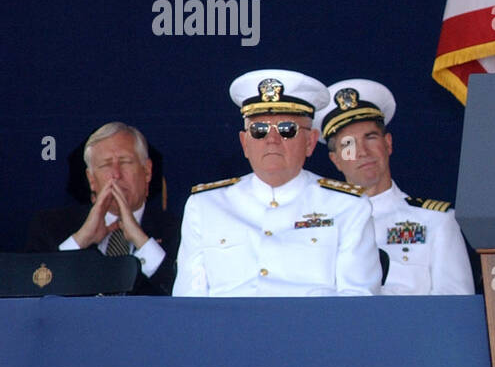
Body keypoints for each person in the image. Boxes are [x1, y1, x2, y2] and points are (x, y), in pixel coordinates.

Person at [173, 69, 382, 297]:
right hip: (225, 331)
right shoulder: (205, 206)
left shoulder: (347, 207)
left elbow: (357, 304)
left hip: (312, 331)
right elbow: (189, 303)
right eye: (259, 130)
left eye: (286, 129)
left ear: (310, 142)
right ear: (244, 142)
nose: (272, 140)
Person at [318, 79, 475, 295]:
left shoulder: (437, 221)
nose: (362, 151)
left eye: (370, 137)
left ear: (388, 143)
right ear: (335, 160)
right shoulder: (320, 226)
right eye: (348, 144)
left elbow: (455, 307)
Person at [24, 121, 181, 295]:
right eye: (105, 165)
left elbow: (183, 292)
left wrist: (141, 240)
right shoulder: (51, 226)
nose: (116, 174)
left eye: (125, 162)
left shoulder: (178, 230)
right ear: (91, 179)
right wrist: (81, 240)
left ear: (147, 171)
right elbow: (33, 293)